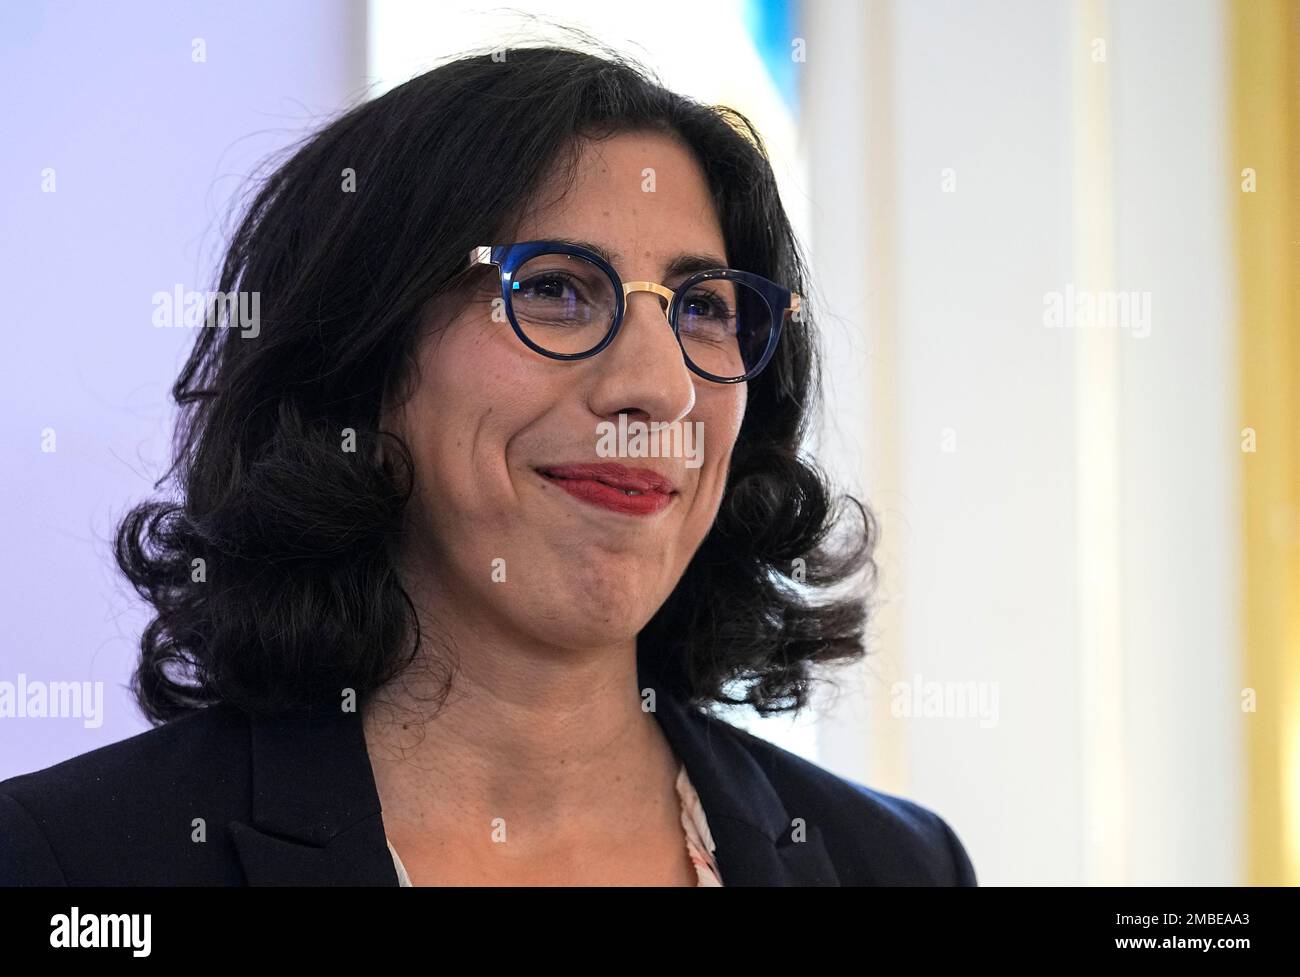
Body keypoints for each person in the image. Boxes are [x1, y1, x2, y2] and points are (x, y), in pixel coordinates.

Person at [0, 42, 975, 886]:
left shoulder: (894, 863)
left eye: (703, 307)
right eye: (554, 288)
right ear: (366, 362)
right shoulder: (71, 859)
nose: (659, 386)